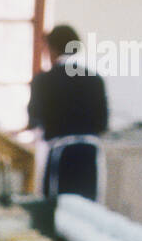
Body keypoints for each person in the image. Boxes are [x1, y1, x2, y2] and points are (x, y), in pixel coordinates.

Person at [27, 24, 108, 199]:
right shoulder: (95, 79)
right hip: (90, 154)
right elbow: (102, 123)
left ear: (52, 49)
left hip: (61, 155)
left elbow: (34, 120)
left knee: (59, 210)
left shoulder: (44, 81)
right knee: (87, 210)